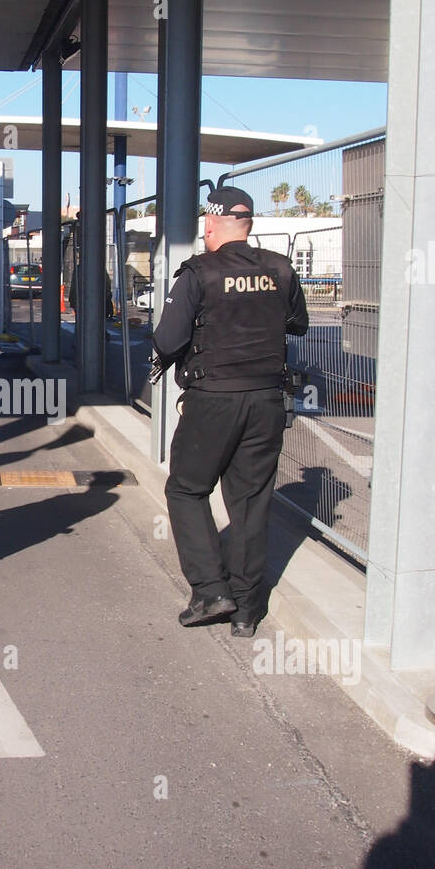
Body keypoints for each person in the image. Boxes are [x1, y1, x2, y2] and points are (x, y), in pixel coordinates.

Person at [152, 185, 308, 633]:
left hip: (212, 401)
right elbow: (298, 323)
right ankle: (246, 610)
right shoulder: (280, 268)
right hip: (266, 401)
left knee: (186, 490)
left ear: (211, 224)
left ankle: (210, 592)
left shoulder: (199, 273)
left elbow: (167, 340)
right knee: (251, 502)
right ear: (250, 224)